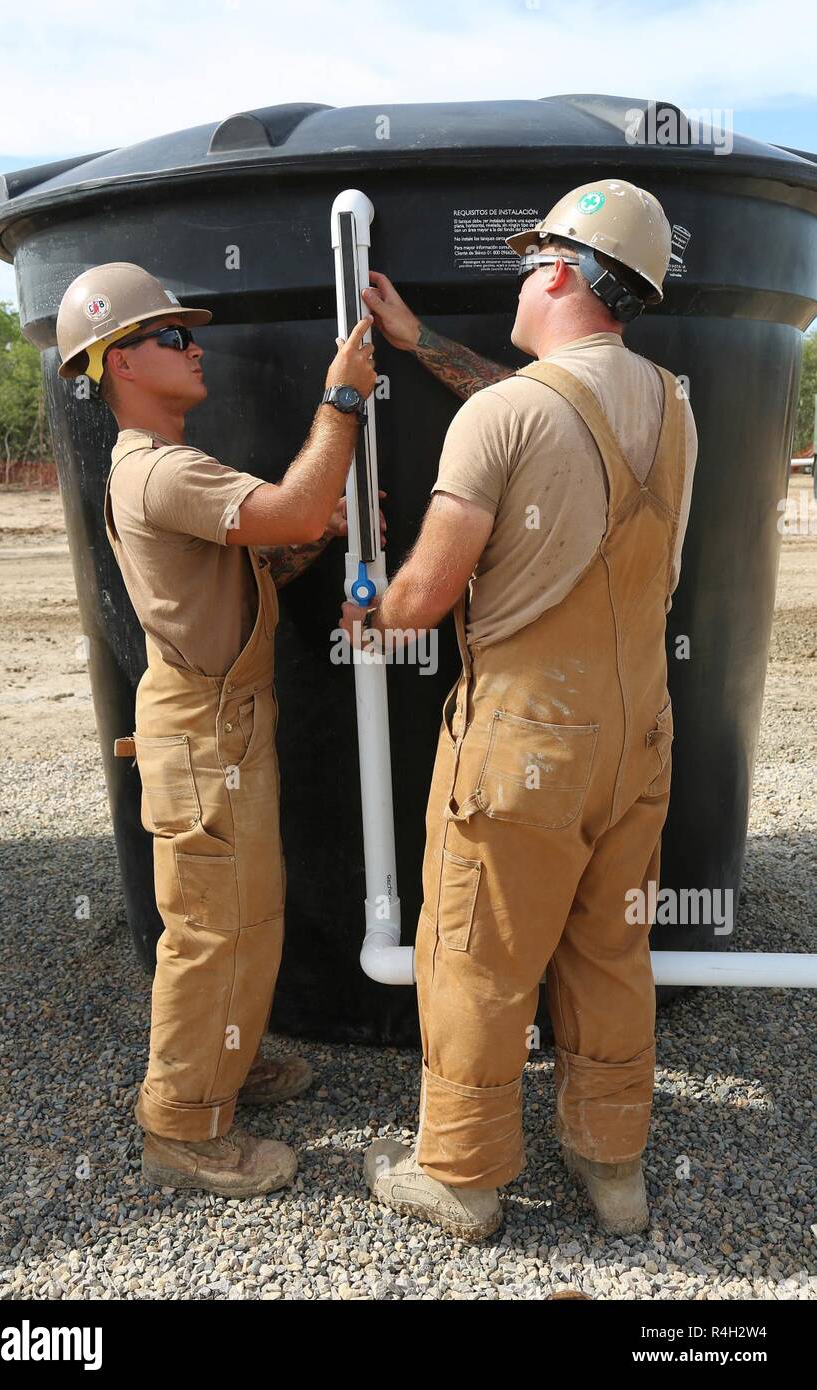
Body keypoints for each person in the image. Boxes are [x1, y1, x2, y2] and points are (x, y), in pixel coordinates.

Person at [341, 180, 698, 1239]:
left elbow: (420, 599)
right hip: (635, 743)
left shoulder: (504, 417)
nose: (517, 272)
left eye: (526, 256)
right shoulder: (671, 403)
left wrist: (365, 597)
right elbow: (555, 416)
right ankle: (611, 1166)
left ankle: (460, 1174)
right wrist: (420, 343)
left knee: (477, 955)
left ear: (554, 268)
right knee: (608, 949)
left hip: (524, 745)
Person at [55, 262, 376, 1197]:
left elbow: (253, 563)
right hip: (206, 732)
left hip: (219, 725)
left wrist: (322, 530)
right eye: (170, 337)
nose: (194, 348)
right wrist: (342, 401)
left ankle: (226, 1061)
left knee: (244, 915)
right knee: (210, 929)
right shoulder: (159, 469)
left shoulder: (161, 470)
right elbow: (293, 507)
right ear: (118, 364)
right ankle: (183, 1130)